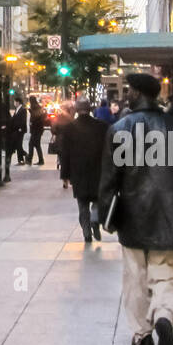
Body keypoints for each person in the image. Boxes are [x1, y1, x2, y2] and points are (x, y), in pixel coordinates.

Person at [99, 72, 173, 345]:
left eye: (130, 90)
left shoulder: (120, 129)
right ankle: (165, 317)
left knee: (135, 275)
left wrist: (105, 214)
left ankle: (142, 334)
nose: (127, 95)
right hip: (171, 214)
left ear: (137, 93)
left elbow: (109, 179)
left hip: (133, 214)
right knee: (168, 272)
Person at [61, 98, 108, 242]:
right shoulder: (102, 127)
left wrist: (65, 175)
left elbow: (65, 154)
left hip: (78, 172)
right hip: (98, 170)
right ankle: (95, 218)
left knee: (82, 204)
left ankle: (86, 231)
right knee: (97, 199)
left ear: (76, 109)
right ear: (90, 109)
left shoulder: (69, 128)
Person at [27, 97, 46, 165]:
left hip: (36, 130)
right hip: (38, 130)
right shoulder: (37, 106)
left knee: (31, 144)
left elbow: (36, 117)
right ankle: (40, 160)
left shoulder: (35, 107)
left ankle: (30, 159)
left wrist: (31, 111)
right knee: (37, 145)